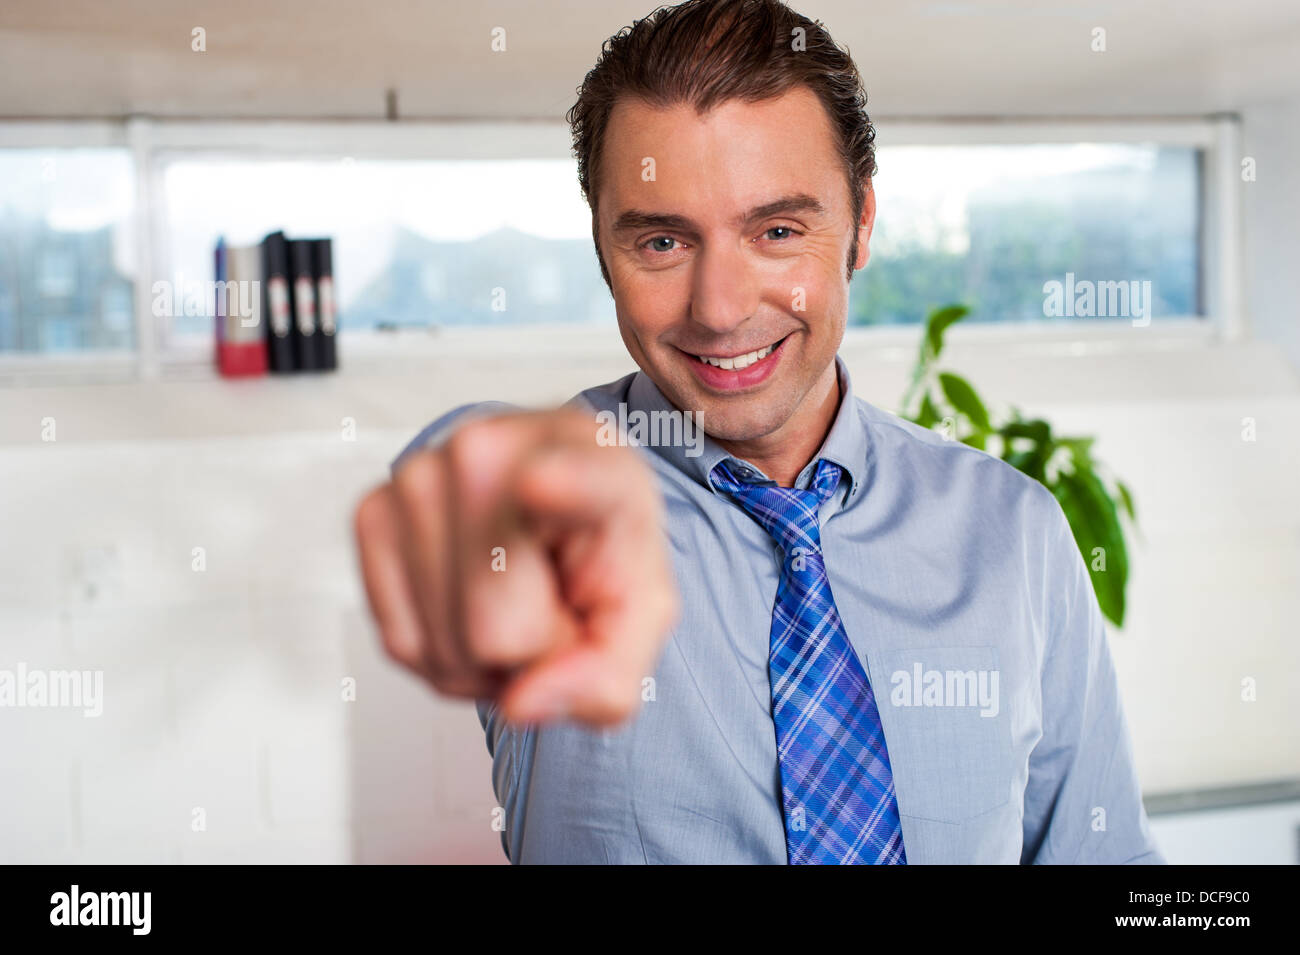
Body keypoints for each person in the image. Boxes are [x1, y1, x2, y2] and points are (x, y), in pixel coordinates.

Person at [353, 0, 1164, 865]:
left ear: (858, 226)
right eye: (662, 242)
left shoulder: (1015, 530)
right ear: (602, 253)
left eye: (777, 231)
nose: (721, 308)